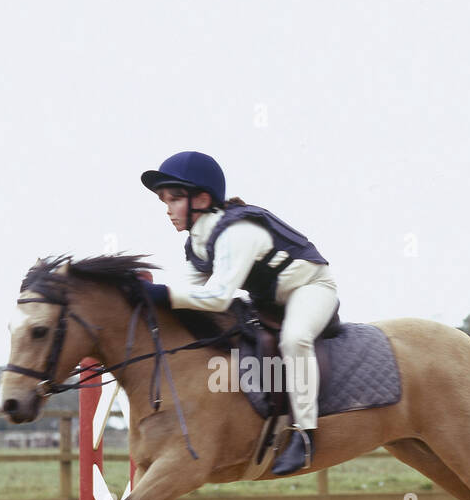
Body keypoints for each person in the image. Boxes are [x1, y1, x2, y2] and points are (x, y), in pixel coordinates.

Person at [139, 151, 339, 476]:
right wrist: (146, 304)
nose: (168, 210)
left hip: (311, 289)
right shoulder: (198, 244)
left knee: (295, 339)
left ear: (202, 199)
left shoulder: (237, 231)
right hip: (269, 302)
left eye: (174, 199)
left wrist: (157, 293)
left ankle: (304, 435)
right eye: (164, 201)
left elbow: (217, 297)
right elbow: (188, 297)